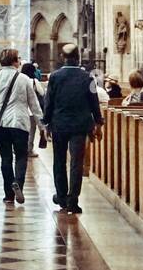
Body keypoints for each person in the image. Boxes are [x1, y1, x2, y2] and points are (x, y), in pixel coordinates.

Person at [42, 44, 104, 214]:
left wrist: (46, 122)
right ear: (78, 58)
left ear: (63, 57)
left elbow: (49, 101)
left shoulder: (54, 77)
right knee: (76, 163)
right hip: (80, 125)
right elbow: (94, 101)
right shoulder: (88, 77)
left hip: (59, 124)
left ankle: (61, 196)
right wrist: (98, 122)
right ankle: (73, 200)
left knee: (59, 161)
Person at [0, 49, 43, 204]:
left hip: (1, 124)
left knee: (6, 158)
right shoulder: (24, 79)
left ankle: (8, 194)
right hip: (20, 123)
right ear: (15, 62)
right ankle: (18, 184)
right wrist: (42, 126)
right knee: (21, 157)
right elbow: (34, 105)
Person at [20, 63, 44, 158]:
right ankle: (29, 149)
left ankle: (20, 148)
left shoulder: (19, 80)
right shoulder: (34, 81)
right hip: (31, 111)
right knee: (31, 131)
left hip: (21, 109)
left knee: (22, 131)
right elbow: (42, 93)